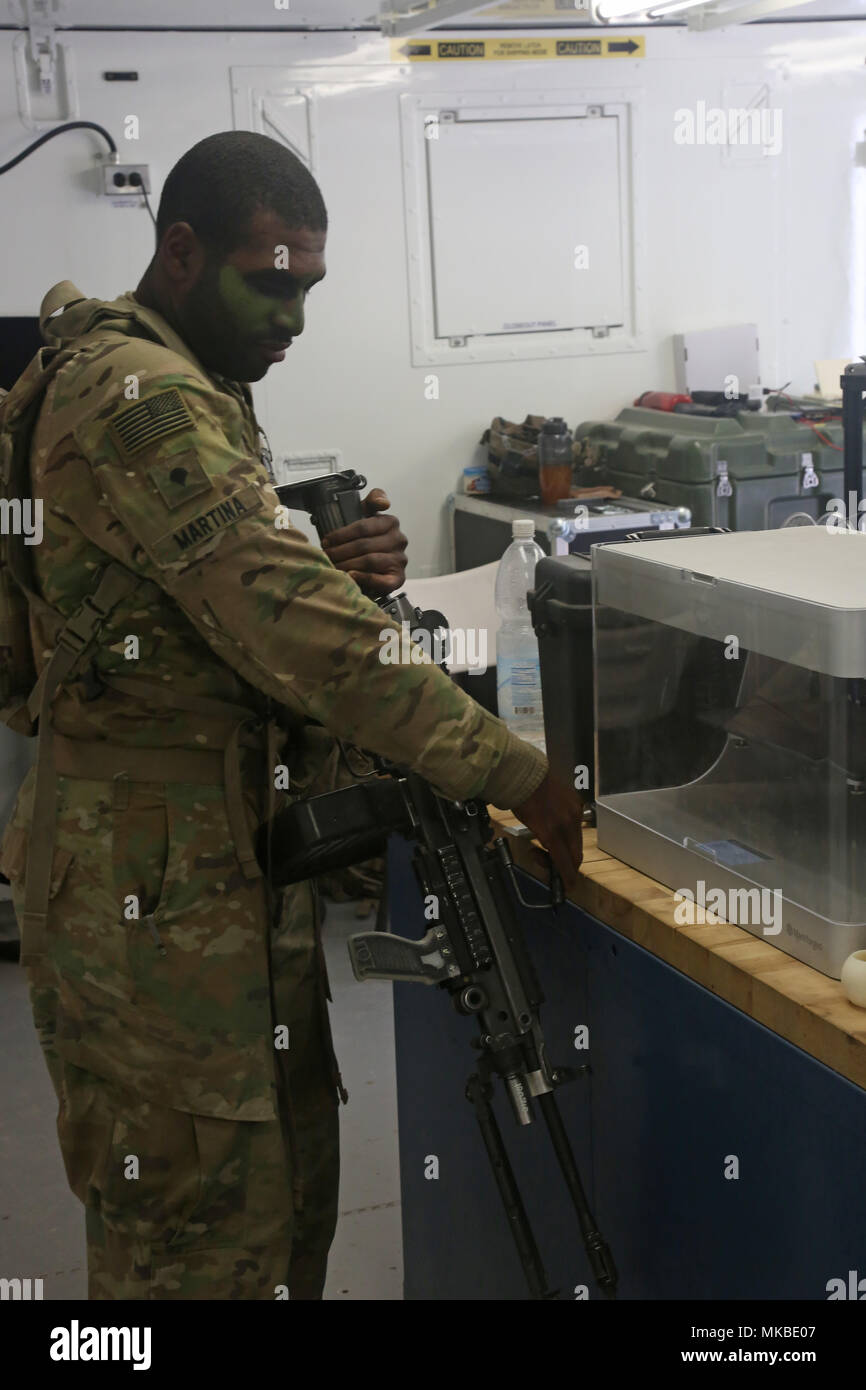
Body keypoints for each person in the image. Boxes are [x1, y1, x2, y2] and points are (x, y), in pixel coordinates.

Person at [0, 130, 584, 1300]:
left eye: (307, 287)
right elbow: (270, 613)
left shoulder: (185, 377)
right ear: (179, 252)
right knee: (197, 1243)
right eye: (269, 282)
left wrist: (333, 565)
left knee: (269, 1210)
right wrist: (505, 766)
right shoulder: (137, 392)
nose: (293, 318)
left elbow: (210, 593)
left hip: (195, 860)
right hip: (151, 887)